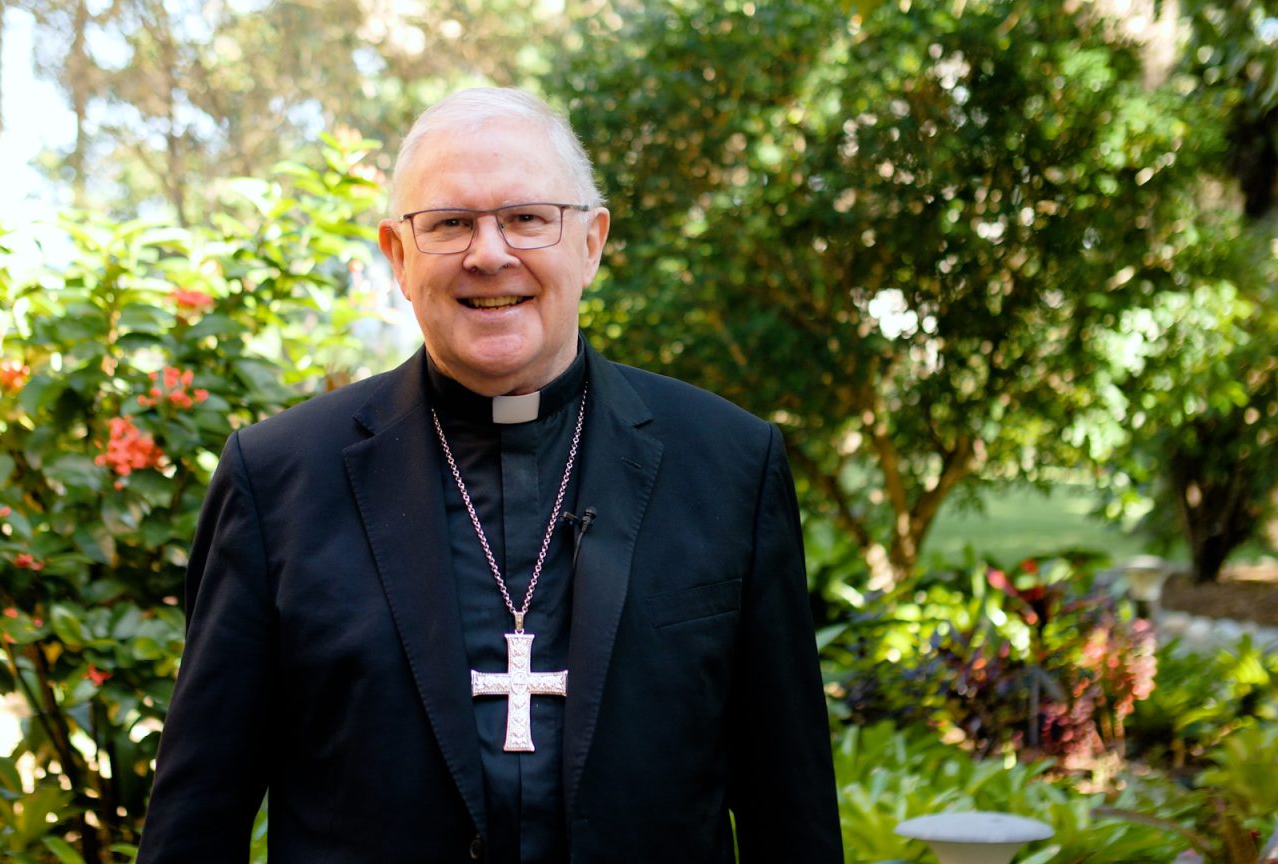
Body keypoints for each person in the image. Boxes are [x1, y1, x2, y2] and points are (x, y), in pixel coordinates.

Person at [137, 87, 842, 863]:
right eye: (449, 224)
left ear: (591, 243)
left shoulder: (731, 466)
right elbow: (196, 820)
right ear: (398, 258)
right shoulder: (277, 482)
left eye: (526, 217)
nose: (489, 253)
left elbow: (791, 811)